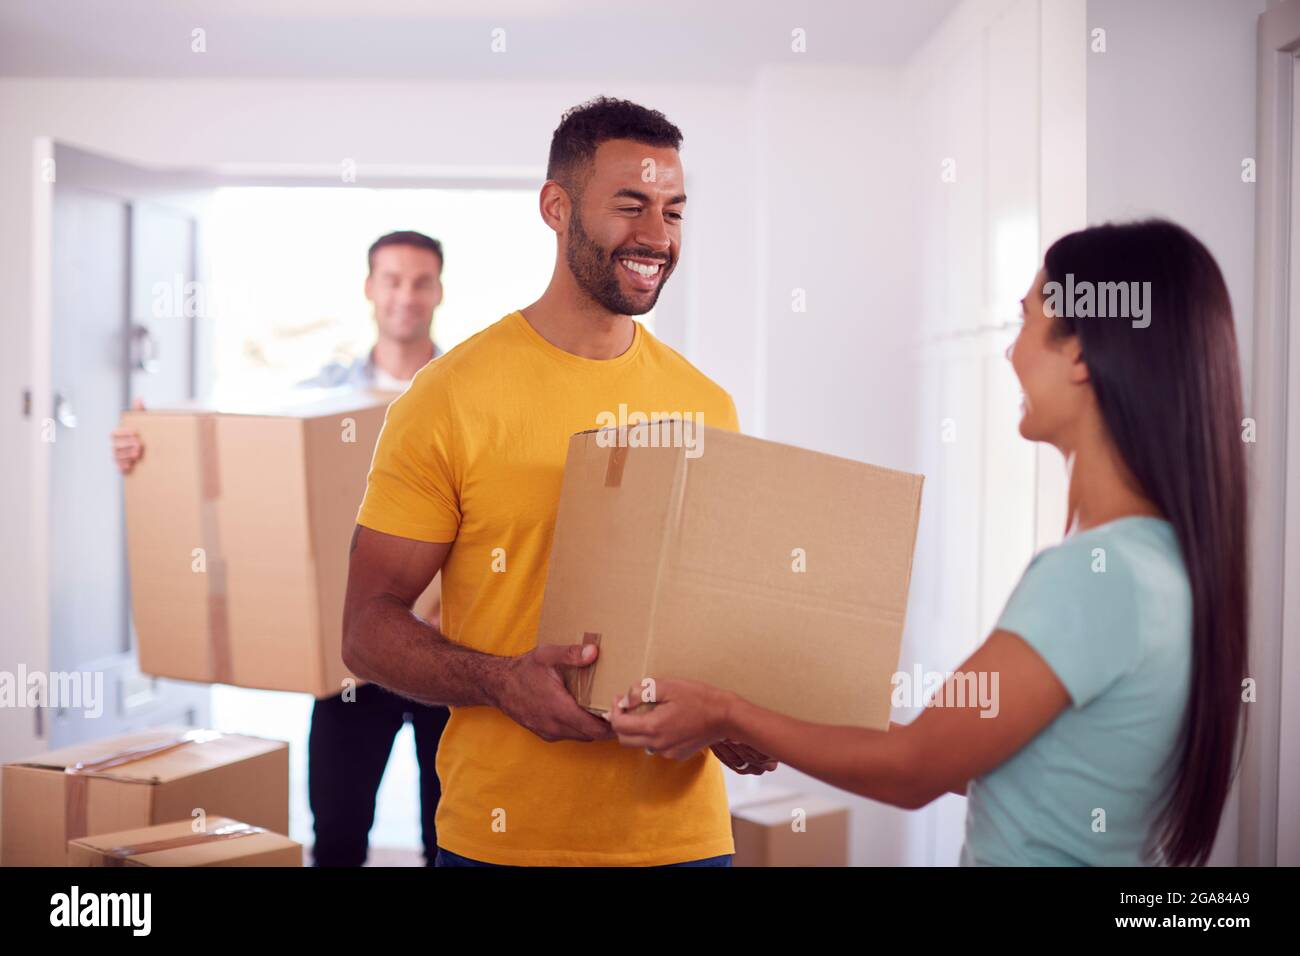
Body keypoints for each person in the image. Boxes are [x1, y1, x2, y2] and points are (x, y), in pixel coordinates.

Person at [609, 219, 1248, 867]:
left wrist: (727, 712)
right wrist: (756, 710)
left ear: (1081, 353)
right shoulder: (1158, 563)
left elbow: (913, 769)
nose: (1010, 352)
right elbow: (955, 754)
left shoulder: (1095, 577)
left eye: (1025, 321)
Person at [342, 97, 775, 869]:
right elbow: (366, 630)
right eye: (631, 206)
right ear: (557, 207)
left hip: (683, 842)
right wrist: (502, 681)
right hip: (505, 843)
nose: (657, 237)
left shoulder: (708, 406)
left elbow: (712, 616)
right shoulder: (449, 397)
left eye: (674, 212)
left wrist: (735, 716)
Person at [111, 230, 452, 867]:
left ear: (439, 291)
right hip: (351, 653)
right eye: (393, 279)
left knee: (451, 838)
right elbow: (240, 464)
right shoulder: (320, 396)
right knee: (339, 830)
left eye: (420, 281)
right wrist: (149, 447)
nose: (406, 295)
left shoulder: (463, 389)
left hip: (448, 648)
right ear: (369, 288)